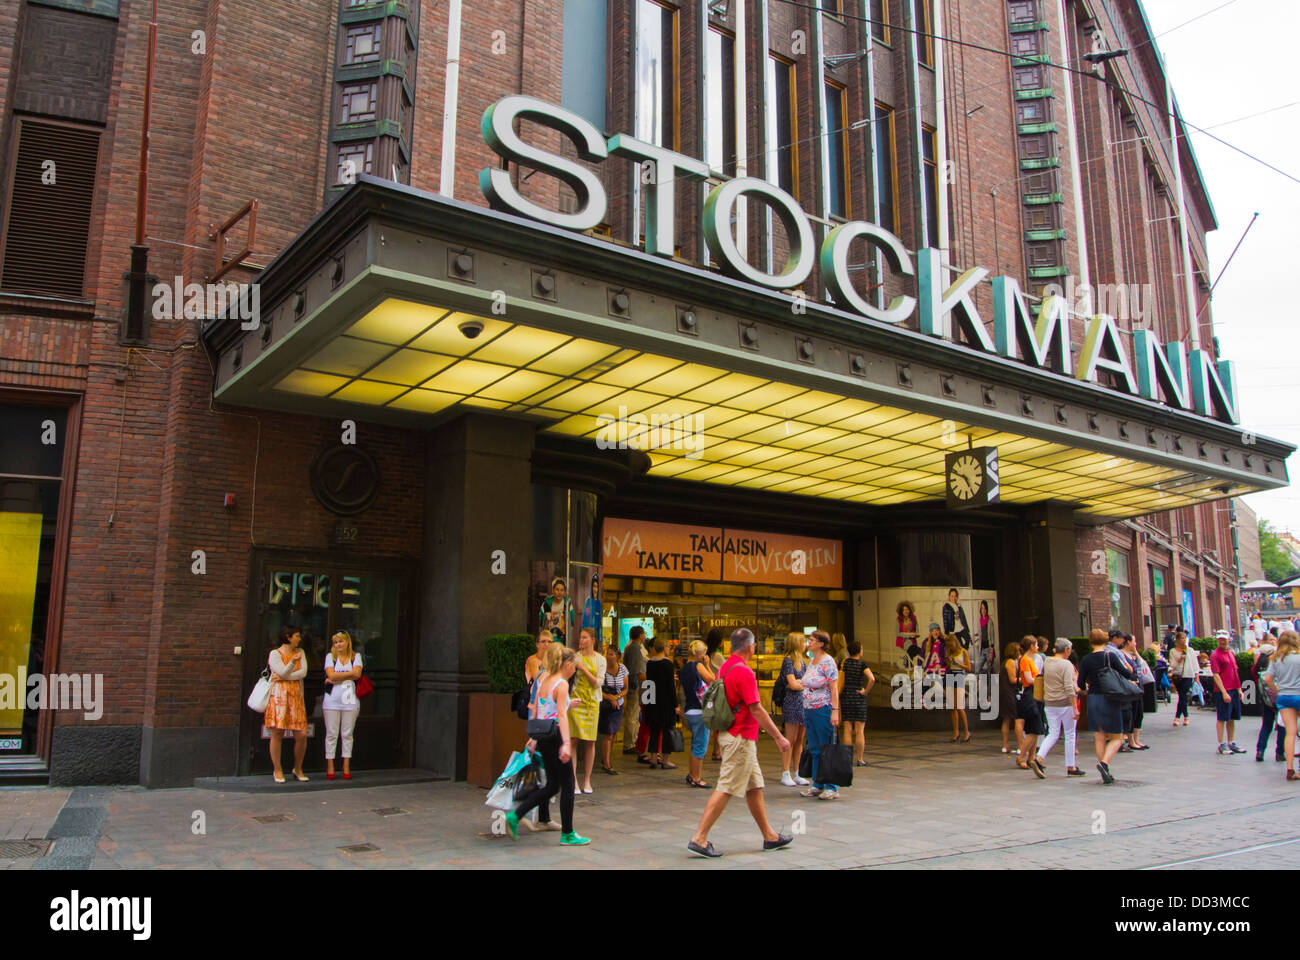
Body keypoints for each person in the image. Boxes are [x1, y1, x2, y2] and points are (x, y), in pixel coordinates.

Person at [687, 628, 793, 858]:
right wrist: (779, 736)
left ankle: (769, 836)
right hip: (740, 737)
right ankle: (699, 838)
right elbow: (756, 708)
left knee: (755, 786)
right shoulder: (744, 672)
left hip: (731, 734)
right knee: (726, 787)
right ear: (750, 647)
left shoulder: (726, 666)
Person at [507, 644, 589, 845]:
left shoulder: (543, 679)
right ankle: (568, 834)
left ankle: (516, 815)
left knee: (553, 785)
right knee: (568, 785)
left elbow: (538, 708)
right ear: (567, 664)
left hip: (542, 737)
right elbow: (560, 715)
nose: (574, 671)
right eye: (574, 667)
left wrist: (533, 737)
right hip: (556, 737)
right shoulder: (561, 684)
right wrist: (567, 744)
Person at [787, 630, 841, 800]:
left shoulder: (828, 662)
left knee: (827, 747)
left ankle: (831, 786)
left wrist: (834, 710)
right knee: (816, 748)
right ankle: (818, 783)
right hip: (809, 708)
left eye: (812, 640)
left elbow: (834, 688)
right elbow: (806, 682)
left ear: (821, 644)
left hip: (823, 708)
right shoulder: (812, 661)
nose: (809, 642)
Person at [1078, 628, 1136, 784]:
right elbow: (1127, 674)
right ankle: (1104, 763)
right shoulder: (1110, 657)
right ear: (1105, 640)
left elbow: (1080, 683)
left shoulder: (1086, 659)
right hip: (1110, 698)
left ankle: (1105, 769)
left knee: (1099, 736)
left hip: (1093, 699)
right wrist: (1129, 669)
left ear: (1090, 641)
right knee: (1117, 736)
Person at [266, 626, 309, 783]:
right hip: (279, 698)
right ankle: (277, 769)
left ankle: (298, 768)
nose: (299, 638)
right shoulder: (274, 654)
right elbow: (282, 671)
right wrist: (292, 663)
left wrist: (285, 676)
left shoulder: (301, 652)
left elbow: (303, 673)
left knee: (302, 734)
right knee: (277, 733)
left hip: (297, 697)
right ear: (288, 637)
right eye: (297, 636)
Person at [1036, 639, 1084, 776]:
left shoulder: (1047, 662)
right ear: (1067, 650)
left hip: (1050, 702)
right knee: (1070, 734)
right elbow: (1069, 687)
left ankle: (1039, 758)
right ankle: (1071, 766)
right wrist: (1075, 707)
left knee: (1053, 733)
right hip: (1065, 703)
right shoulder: (1066, 664)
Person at [322, 631, 363, 781]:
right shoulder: (330, 657)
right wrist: (348, 675)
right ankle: (330, 765)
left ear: (347, 642)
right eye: (335, 642)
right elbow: (331, 675)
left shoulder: (355, 657)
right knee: (331, 734)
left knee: (347, 734)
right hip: (332, 699)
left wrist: (336, 678)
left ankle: (346, 765)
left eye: (341, 641)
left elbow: (357, 674)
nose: (338, 644)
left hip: (349, 698)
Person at [568, 627, 605, 793]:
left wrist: (582, 668)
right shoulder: (575, 657)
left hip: (592, 703)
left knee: (590, 741)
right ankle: (574, 780)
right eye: (580, 637)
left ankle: (588, 780)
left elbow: (598, 683)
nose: (581, 641)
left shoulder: (600, 660)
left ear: (592, 640)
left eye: (584, 638)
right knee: (573, 740)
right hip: (576, 701)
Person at [1263, 630, 1300, 781]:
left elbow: (1268, 679)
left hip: (1284, 697)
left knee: (1290, 732)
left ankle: (1290, 769)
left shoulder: (1276, 659)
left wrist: (1278, 691)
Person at [679, 640, 716, 788]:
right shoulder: (698, 665)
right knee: (700, 746)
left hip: (689, 709)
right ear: (700, 654)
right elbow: (712, 680)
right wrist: (707, 665)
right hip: (700, 709)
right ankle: (696, 777)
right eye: (704, 652)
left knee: (695, 743)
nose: (705, 655)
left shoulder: (685, 668)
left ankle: (691, 773)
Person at [777, 632, 809, 787]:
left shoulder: (803, 662)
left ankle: (797, 771)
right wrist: (802, 683)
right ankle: (785, 772)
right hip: (792, 702)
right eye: (803, 642)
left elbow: (800, 683)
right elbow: (793, 684)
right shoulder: (788, 661)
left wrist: (799, 682)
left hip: (803, 702)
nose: (806, 645)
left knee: (799, 740)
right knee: (790, 739)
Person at [643, 637, 679, 770]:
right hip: (666, 702)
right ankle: (665, 759)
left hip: (653, 701)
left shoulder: (650, 663)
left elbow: (649, 683)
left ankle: (653, 757)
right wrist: (675, 704)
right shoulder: (668, 664)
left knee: (654, 730)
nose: (669, 649)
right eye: (668, 647)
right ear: (664, 648)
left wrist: (647, 702)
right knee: (667, 730)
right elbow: (670, 687)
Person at [1210, 632, 1247, 755]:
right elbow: (1216, 674)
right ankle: (1221, 744)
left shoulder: (1230, 653)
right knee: (1222, 717)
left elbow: (1235, 672)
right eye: (1220, 639)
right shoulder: (1215, 655)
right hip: (1223, 690)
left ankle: (1231, 742)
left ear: (1228, 640)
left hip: (1233, 688)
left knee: (1232, 717)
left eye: (1224, 639)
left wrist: (1239, 689)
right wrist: (1224, 692)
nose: (1222, 642)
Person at [839, 640, 874, 765]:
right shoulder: (862, 664)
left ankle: (848, 759)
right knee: (860, 729)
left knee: (847, 728)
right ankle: (860, 759)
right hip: (858, 696)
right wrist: (865, 692)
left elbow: (841, 683)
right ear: (859, 651)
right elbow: (872, 679)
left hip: (847, 697)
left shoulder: (845, 663)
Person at [1016, 635, 1045, 776]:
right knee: (1035, 728)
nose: (1038, 647)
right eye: (1036, 645)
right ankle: (1022, 756)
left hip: (1035, 694)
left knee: (1035, 728)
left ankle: (1031, 757)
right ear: (1032, 646)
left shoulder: (1030, 660)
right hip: (1030, 695)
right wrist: (1041, 681)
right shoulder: (1025, 660)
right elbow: (1028, 679)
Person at [1252, 637, 1285, 763]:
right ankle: (1280, 752)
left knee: (1266, 726)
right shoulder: (1275, 665)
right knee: (1282, 726)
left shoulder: (1257, 669)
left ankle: (1260, 751)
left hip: (1266, 701)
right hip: (1279, 699)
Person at [597, 646, 627, 775]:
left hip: (618, 704)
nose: (608, 657)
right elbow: (597, 687)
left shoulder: (623, 669)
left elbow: (626, 688)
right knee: (608, 733)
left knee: (613, 733)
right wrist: (609, 697)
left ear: (617, 656)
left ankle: (607, 758)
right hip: (606, 705)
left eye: (611, 654)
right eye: (607, 654)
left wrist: (617, 697)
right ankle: (606, 763)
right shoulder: (601, 669)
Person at [1119, 635, 1150, 751]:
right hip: (1130, 688)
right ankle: (1131, 740)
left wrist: (1135, 652)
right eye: (1134, 641)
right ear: (1127, 642)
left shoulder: (1132, 655)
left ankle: (1137, 740)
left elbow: (1142, 663)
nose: (1135, 643)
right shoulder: (1121, 655)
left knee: (1139, 714)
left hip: (1139, 688)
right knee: (1132, 713)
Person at [621, 625, 646, 756]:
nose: (645, 635)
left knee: (633, 713)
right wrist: (636, 684)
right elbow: (636, 669)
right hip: (635, 686)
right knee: (633, 714)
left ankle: (631, 742)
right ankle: (630, 743)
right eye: (643, 633)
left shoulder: (629, 647)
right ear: (640, 635)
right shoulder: (636, 648)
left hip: (631, 685)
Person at [945, 634, 971, 742]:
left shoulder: (963, 652)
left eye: (952, 645)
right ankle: (956, 732)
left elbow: (969, 668)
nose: (951, 647)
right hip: (950, 674)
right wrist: (948, 661)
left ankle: (966, 732)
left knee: (959, 706)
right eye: (949, 646)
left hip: (959, 674)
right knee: (952, 707)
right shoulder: (948, 651)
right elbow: (948, 666)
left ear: (956, 643)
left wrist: (958, 663)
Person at [705, 627, 726, 760]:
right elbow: (726, 671)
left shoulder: (707, 654)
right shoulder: (717, 656)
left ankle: (715, 750)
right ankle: (716, 751)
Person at [1169, 632, 1197, 726]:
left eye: (1185, 638)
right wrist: (1180, 659)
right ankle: (1184, 717)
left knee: (1182, 695)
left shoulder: (1190, 650)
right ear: (1177, 640)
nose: (1183, 640)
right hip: (1177, 676)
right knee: (1182, 696)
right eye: (1181, 638)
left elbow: (1194, 663)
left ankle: (1180, 717)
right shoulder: (1173, 651)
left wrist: (1197, 676)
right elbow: (1172, 665)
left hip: (1188, 675)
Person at [999, 641, 1021, 754]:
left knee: (1006, 719)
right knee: (1017, 719)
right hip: (1010, 693)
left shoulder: (1004, 662)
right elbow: (1013, 679)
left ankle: (1005, 745)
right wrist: (1024, 679)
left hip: (1004, 693)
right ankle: (1021, 746)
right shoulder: (1011, 662)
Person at [539, 576, 573, 646]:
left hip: (562, 640)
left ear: (564, 591)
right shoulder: (546, 604)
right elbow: (541, 621)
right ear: (553, 590)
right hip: (548, 640)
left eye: (562, 590)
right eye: (557, 589)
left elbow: (571, 623)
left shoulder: (568, 604)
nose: (559, 592)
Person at [580, 575, 602, 644]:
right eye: (594, 586)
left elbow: (599, 624)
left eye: (597, 587)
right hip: (588, 638)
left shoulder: (599, 603)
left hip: (596, 639)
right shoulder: (588, 602)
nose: (595, 589)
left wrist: (598, 639)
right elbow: (585, 621)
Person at [977, 599, 995, 673]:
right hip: (982, 648)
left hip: (989, 648)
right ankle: (984, 682)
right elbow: (980, 634)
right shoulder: (979, 621)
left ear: (986, 609)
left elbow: (992, 635)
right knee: (978, 668)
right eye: (982, 608)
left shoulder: (990, 621)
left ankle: (991, 684)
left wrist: (992, 651)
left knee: (989, 670)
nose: (983, 610)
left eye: (984, 608)